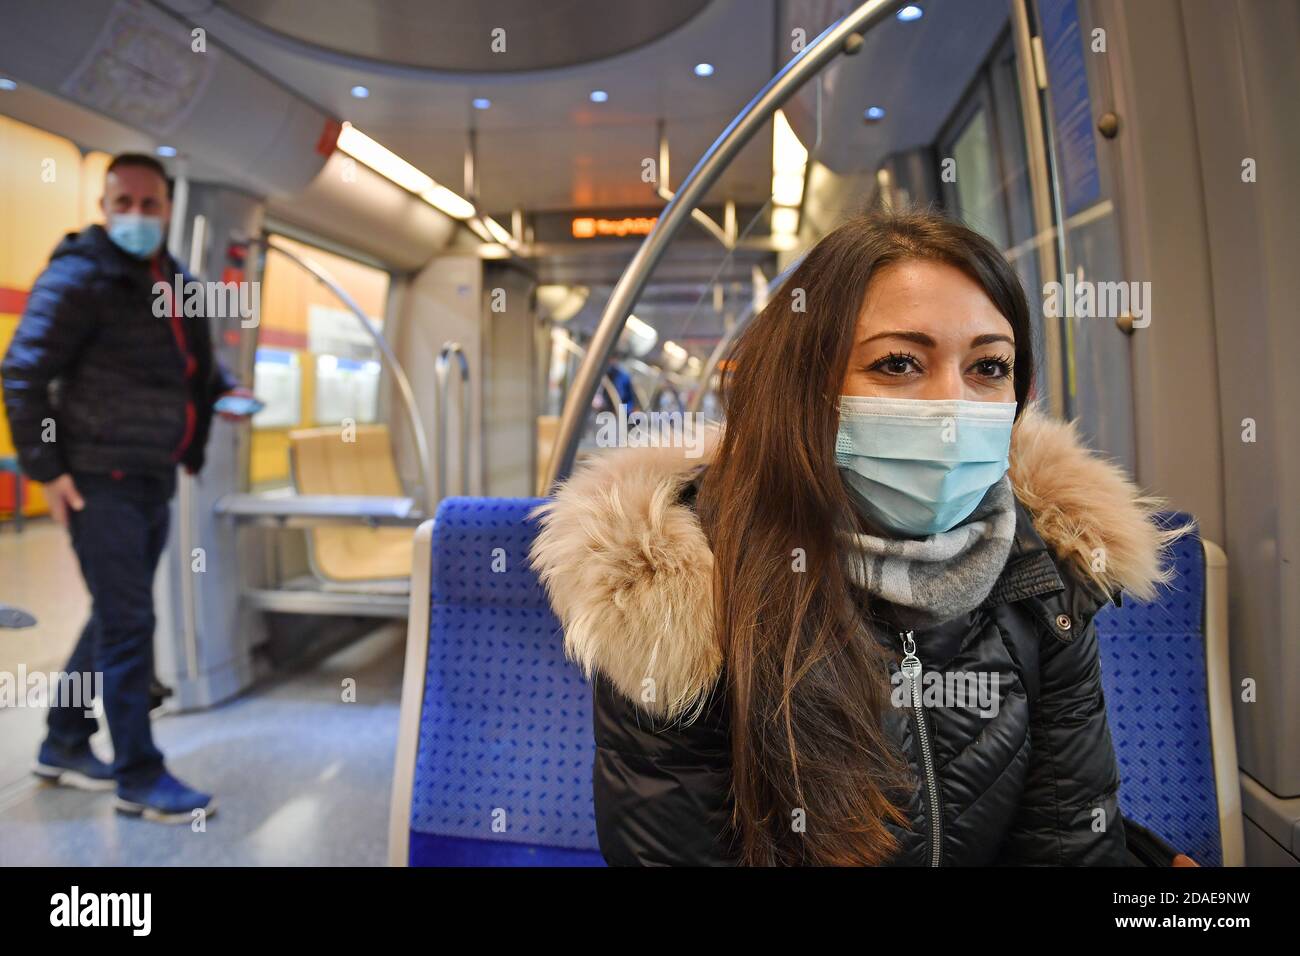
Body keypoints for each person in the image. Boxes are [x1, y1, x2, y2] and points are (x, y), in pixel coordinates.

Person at [529, 209, 1186, 865]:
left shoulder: (1041, 565)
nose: (951, 409)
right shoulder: (680, 591)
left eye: (988, 368)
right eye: (899, 363)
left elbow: (1068, 842)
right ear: (804, 387)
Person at [1, 152, 254, 823]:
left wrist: (227, 392)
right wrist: (47, 471)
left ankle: (63, 740)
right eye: (124, 203)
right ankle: (139, 777)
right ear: (104, 207)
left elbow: (200, 364)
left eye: (149, 205)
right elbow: (21, 373)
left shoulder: (174, 281)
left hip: (151, 474)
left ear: (168, 208)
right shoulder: (79, 277)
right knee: (131, 623)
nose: (136, 217)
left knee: (115, 615)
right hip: (95, 478)